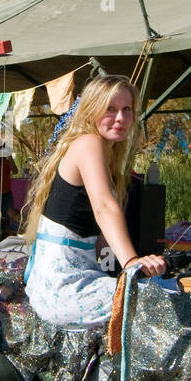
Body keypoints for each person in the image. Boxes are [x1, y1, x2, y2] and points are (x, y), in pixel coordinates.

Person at [21, 75, 165, 326]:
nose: (120, 117)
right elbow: (103, 207)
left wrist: (130, 271)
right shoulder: (89, 143)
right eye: (111, 109)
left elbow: (99, 242)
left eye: (127, 109)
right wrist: (132, 263)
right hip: (63, 288)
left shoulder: (106, 156)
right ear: (92, 110)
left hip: (71, 280)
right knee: (157, 302)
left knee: (151, 292)